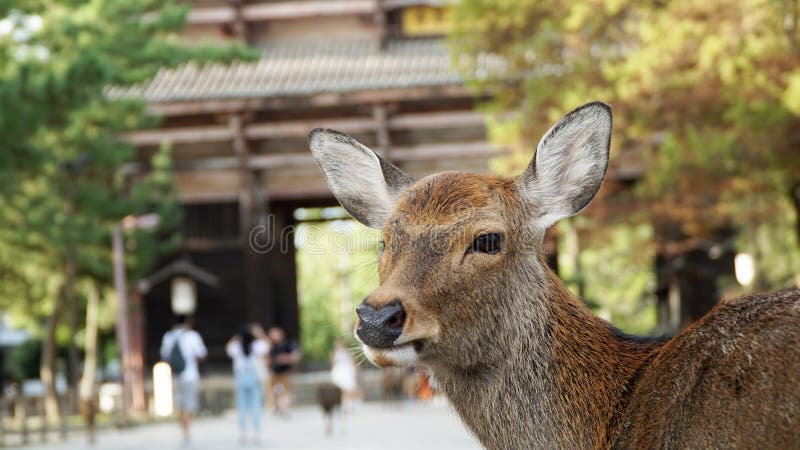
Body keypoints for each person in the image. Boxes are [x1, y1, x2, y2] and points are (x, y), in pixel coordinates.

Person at [160, 315, 207, 446]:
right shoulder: (192, 336)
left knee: (180, 404)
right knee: (189, 404)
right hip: (190, 374)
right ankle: (186, 432)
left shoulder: (168, 337)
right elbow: (202, 353)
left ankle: (184, 430)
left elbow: (164, 356)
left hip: (175, 375)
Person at [226, 325, 269, 444]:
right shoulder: (257, 345)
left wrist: (236, 338)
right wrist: (260, 334)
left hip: (240, 377)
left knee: (242, 407)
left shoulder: (236, 347)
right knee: (256, 405)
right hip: (253, 377)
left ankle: (243, 433)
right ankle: (257, 432)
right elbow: (267, 345)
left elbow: (228, 348)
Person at [267, 326, 301, 416]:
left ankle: (285, 409)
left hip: (285, 372)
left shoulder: (289, 344)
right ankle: (275, 407)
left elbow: (296, 356)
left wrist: (285, 358)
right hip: (273, 372)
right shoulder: (270, 346)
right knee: (272, 391)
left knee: (286, 391)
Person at [330, 339, 360, 411]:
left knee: (350, 386)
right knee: (344, 387)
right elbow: (332, 363)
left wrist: (356, 370)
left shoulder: (349, 352)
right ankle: (345, 403)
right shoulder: (334, 353)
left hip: (348, 371)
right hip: (339, 372)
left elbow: (354, 362)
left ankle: (350, 402)